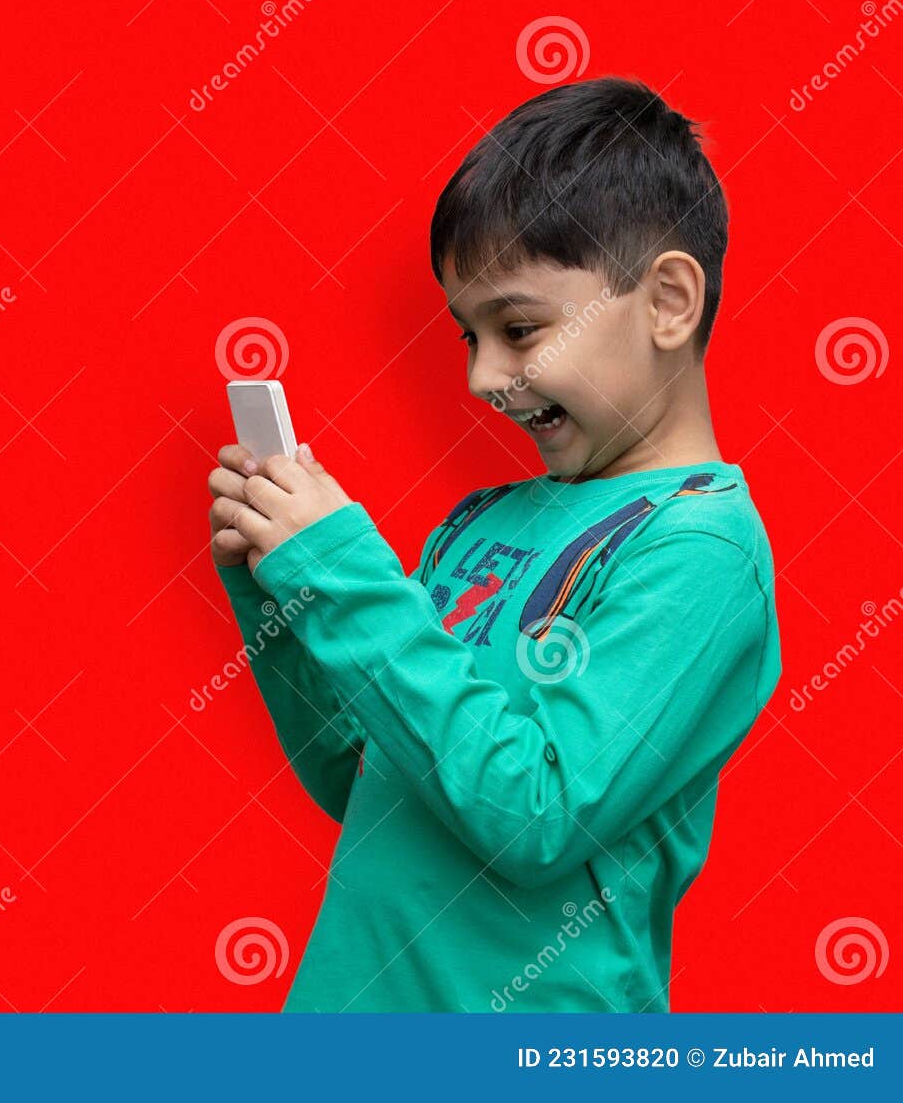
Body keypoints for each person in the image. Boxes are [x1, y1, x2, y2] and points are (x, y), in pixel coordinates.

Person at [207, 75, 781, 1012]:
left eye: (519, 328)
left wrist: (346, 574)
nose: (482, 376)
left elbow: (534, 816)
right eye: (467, 336)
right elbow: (362, 775)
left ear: (670, 303)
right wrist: (288, 593)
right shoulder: (479, 522)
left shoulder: (700, 553)